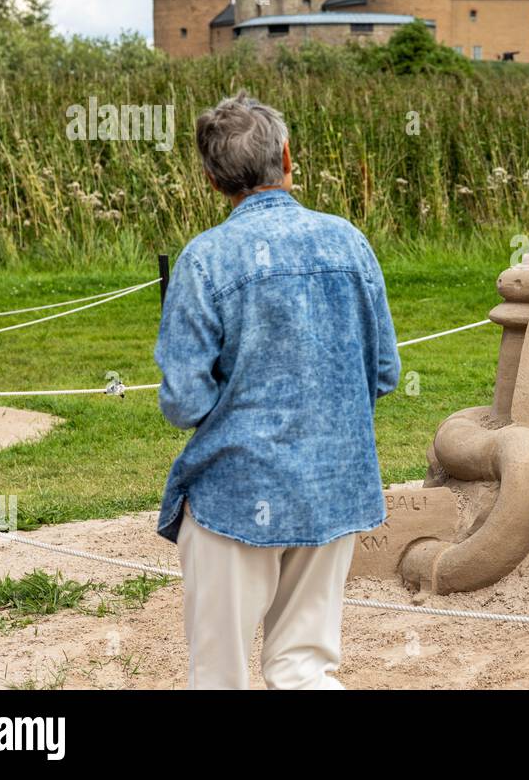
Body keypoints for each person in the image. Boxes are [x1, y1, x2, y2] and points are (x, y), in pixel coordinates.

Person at [154, 92, 401, 689]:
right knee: (304, 668)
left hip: (233, 494)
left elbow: (183, 401)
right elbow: (386, 371)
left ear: (212, 179)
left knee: (219, 676)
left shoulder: (204, 259)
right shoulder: (350, 243)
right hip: (334, 487)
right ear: (287, 157)